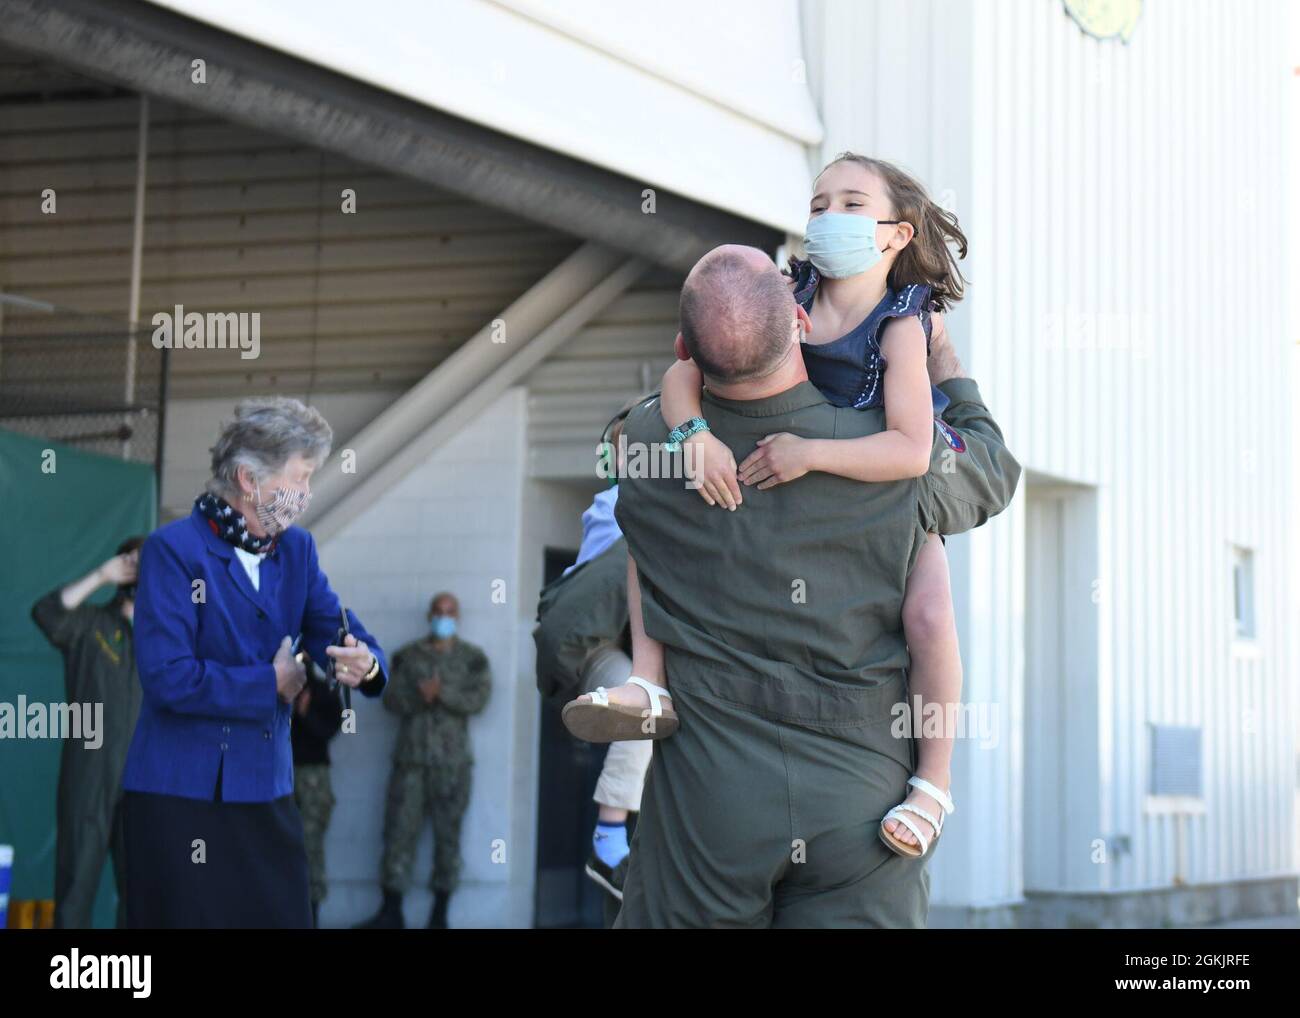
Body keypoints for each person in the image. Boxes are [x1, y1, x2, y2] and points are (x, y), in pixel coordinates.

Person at [565, 153, 970, 858]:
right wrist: (692, 435)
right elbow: (683, 366)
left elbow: (908, 449)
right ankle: (649, 683)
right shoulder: (790, 290)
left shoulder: (904, 322)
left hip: (889, 493)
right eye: (818, 205)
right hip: (784, 487)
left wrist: (808, 452)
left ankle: (933, 782)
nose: (827, 218)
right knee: (648, 529)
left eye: (850, 205)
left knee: (931, 615)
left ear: (898, 236)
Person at [602, 244, 1019, 927]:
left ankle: (643, 681)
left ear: (683, 345)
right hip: (866, 802)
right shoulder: (886, 457)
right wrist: (937, 355)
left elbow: (620, 446)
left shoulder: (648, 443)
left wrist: (690, 424)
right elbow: (993, 472)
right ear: (800, 321)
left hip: (711, 797)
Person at [122, 396, 388, 929]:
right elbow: (166, 677)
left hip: (265, 786)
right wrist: (269, 682)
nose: (308, 493)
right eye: (302, 476)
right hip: (179, 793)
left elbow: (338, 630)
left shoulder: (298, 550)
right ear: (249, 478)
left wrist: (367, 663)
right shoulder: (172, 551)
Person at [532, 402, 652, 903]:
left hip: (636, 644)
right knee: (638, 709)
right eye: (624, 449)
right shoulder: (612, 505)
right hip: (597, 644)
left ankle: (616, 844)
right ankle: (607, 838)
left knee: (651, 714)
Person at [356, 592, 491, 929]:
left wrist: (442, 694)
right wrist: (419, 695)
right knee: (398, 833)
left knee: (449, 837)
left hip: (452, 766)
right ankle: (391, 912)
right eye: (438, 611)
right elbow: (387, 699)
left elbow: (479, 698)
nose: (443, 617)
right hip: (410, 762)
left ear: (457, 617)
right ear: (429, 614)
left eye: (449, 612)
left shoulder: (472, 658)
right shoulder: (405, 657)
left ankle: (439, 915)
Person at [30, 537, 145, 929]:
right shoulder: (91, 625)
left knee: (143, 899)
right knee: (75, 893)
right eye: (133, 562)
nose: (140, 570)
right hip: (89, 779)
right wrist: (100, 576)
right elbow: (46, 613)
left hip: (144, 785)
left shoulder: (165, 637)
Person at [291, 658, 344, 928]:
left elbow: (330, 729)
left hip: (313, 778)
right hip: (277, 778)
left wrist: (305, 713)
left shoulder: (323, 691)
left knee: (310, 851)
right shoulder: (272, 686)